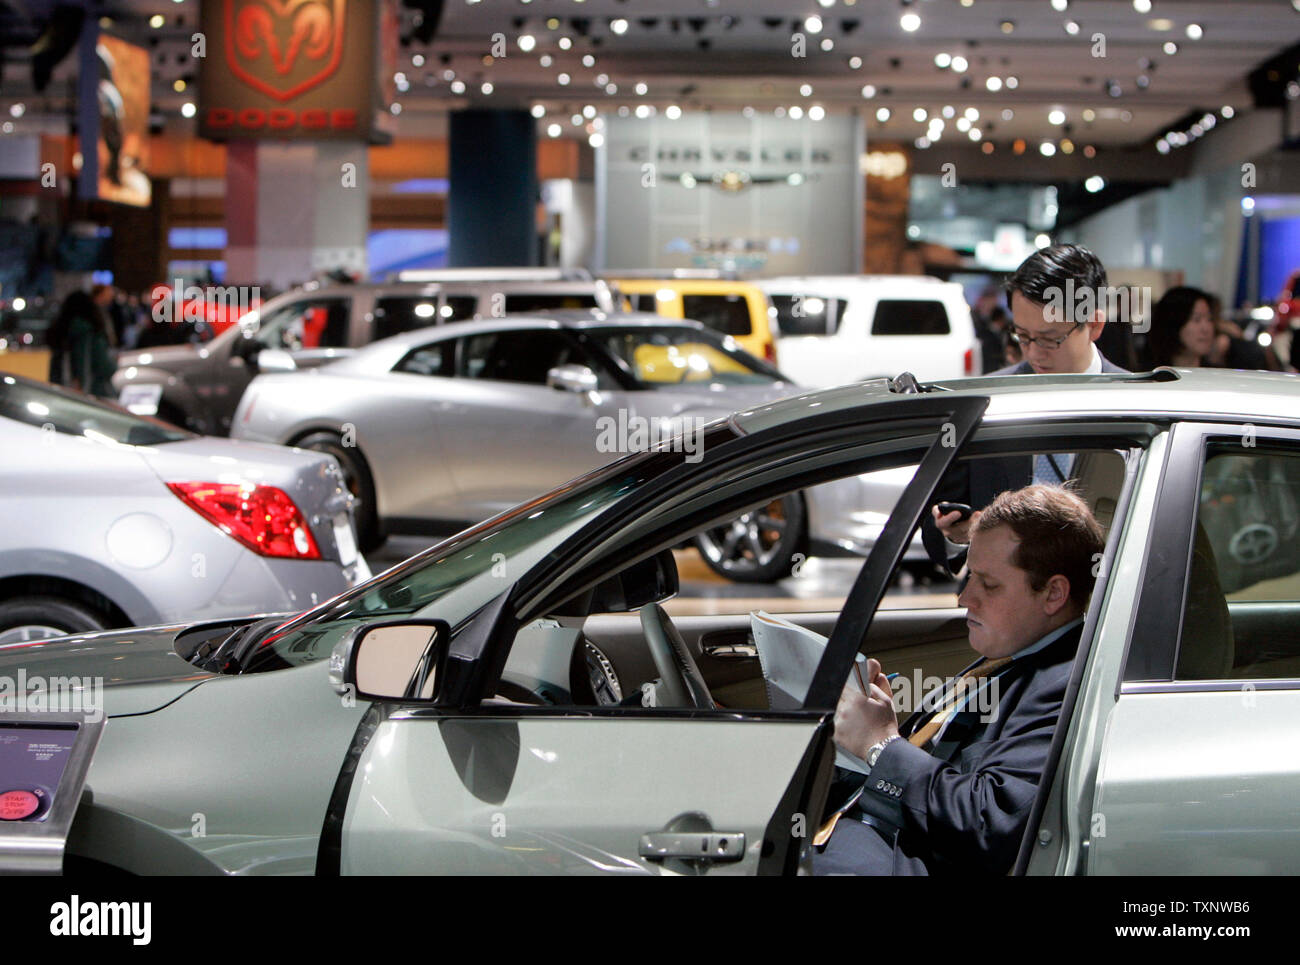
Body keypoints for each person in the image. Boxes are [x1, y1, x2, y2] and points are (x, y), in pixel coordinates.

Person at [814, 484, 1106, 875]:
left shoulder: (1063, 684)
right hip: (867, 830)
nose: (964, 597)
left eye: (989, 584)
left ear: (1053, 593)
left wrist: (881, 746)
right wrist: (875, 731)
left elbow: (991, 823)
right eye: (969, 576)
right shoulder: (1012, 655)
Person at [921, 243, 1126, 574]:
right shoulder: (986, 404)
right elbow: (935, 528)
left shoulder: (1137, 405)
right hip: (1004, 613)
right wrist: (958, 536)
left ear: (1095, 325)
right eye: (1023, 337)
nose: (1034, 354)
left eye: (1049, 339)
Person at [47, 289, 117, 398]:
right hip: (93, 393)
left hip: (63, 391)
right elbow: (103, 366)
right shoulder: (90, 332)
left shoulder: (62, 332)